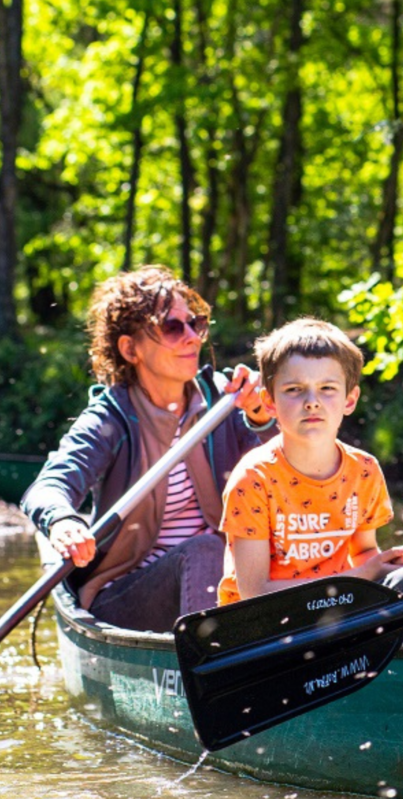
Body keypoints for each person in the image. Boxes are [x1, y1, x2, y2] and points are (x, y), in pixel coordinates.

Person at [22, 265, 277, 633]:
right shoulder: (111, 418)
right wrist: (62, 520)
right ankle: (214, 658)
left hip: (230, 583)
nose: (192, 338)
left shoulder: (226, 400)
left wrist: (262, 417)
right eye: (172, 327)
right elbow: (48, 487)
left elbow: (286, 473)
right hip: (127, 594)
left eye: (195, 324)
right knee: (204, 550)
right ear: (130, 349)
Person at [218, 317, 403, 635]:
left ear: (349, 400)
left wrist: (385, 566)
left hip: (337, 611)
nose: (312, 402)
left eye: (327, 389)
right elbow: (254, 594)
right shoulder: (253, 479)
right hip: (263, 629)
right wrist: (361, 576)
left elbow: (363, 552)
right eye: (294, 390)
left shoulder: (364, 470)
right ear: (269, 402)